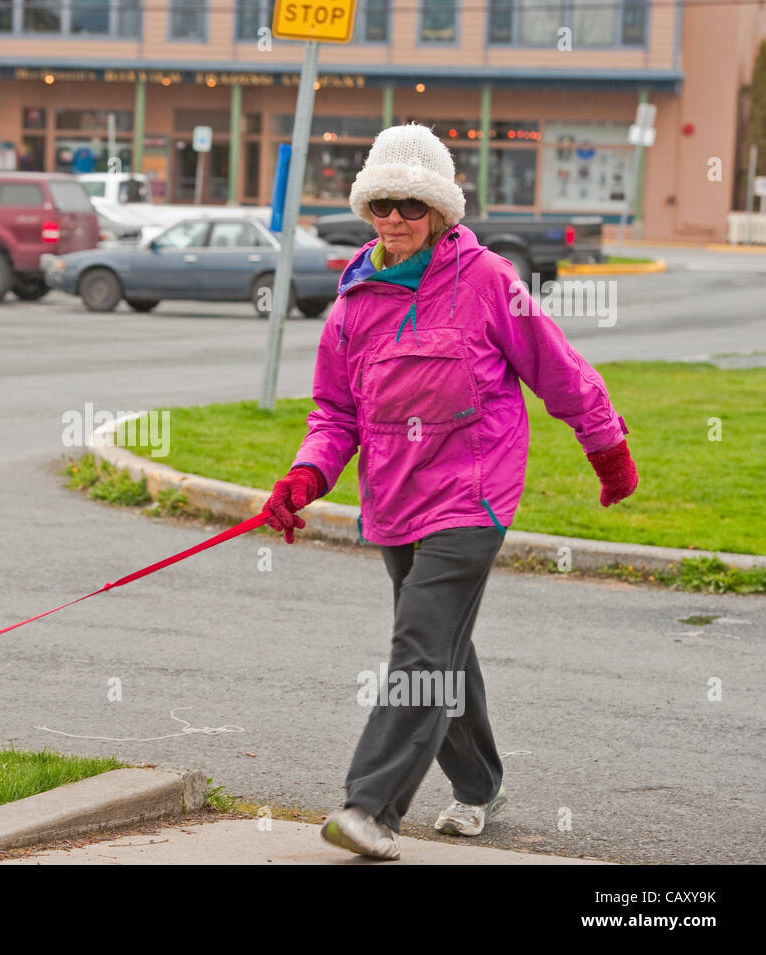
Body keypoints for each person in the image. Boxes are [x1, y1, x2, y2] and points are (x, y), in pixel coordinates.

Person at [263, 123, 638, 860]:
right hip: (395, 501)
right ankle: (479, 784)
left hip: (473, 494)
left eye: (410, 204)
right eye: (381, 205)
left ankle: (371, 806)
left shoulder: (488, 280)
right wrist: (307, 475)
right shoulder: (350, 308)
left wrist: (606, 445)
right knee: (442, 650)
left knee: (420, 645)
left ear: (438, 211)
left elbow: (556, 367)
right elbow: (335, 414)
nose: (394, 219)